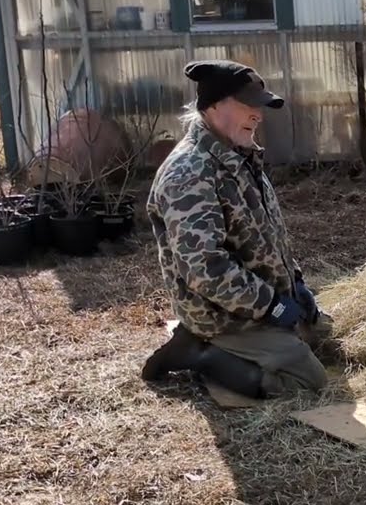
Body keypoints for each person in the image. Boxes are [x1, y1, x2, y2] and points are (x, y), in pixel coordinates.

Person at [140, 58, 328, 405]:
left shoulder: (238, 156)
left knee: (325, 336)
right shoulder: (190, 173)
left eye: (261, 107)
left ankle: (260, 344)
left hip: (256, 304)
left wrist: (296, 285)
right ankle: (197, 354)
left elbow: (269, 239)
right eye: (248, 106)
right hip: (221, 317)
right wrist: (271, 305)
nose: (258, 115)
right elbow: (206, 271)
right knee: (308, 378)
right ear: (213, 106)